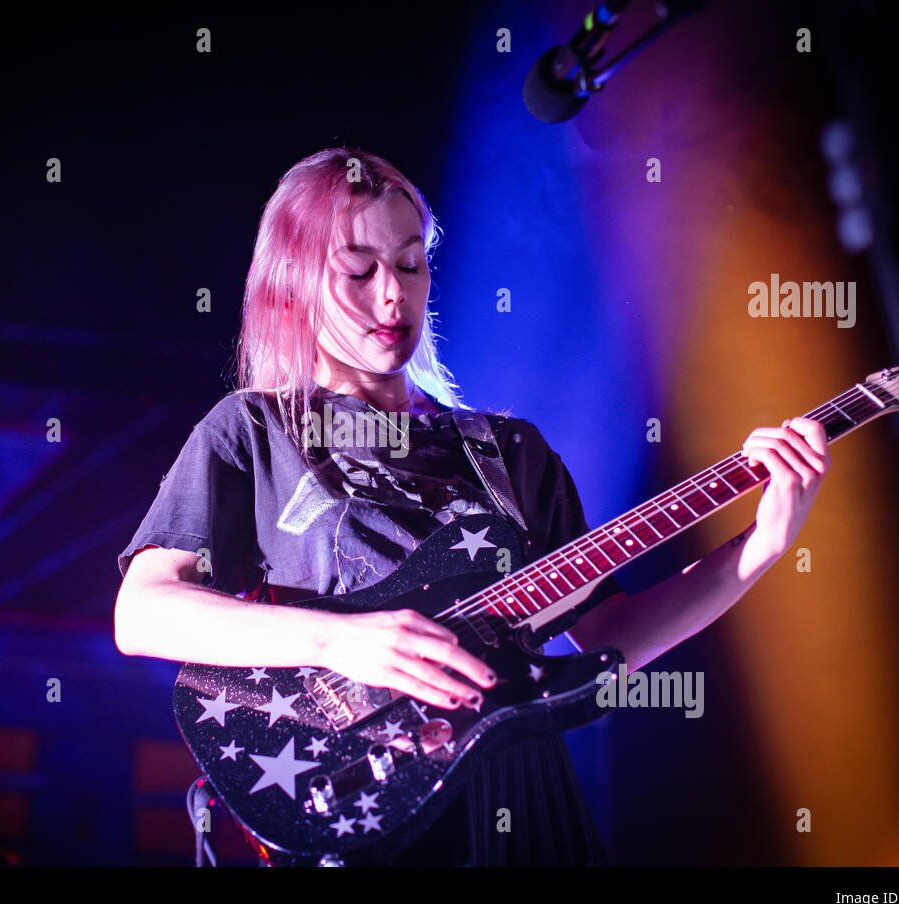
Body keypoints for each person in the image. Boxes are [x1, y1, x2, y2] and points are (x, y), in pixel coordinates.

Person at [113, 146, 831, 866]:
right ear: (292, 285)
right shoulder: (253, 432)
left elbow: (612, 634)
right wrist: (344, 641)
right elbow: (142, 612)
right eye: (359, 271)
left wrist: (761, 546)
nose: (393, 297)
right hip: (365, 799)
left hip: (521, 800)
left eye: (410, 263)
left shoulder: (510, 451)